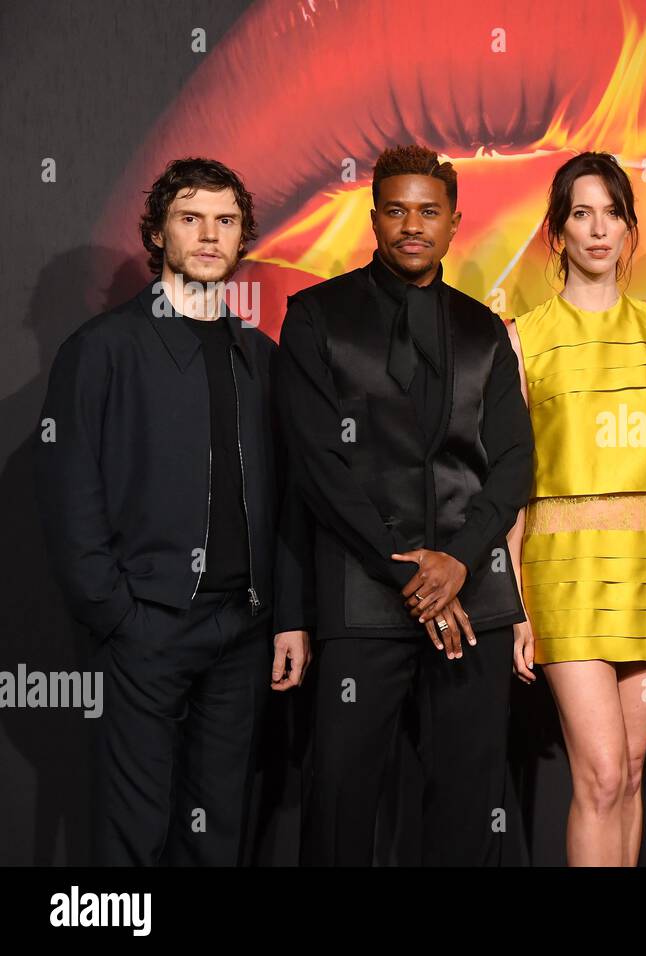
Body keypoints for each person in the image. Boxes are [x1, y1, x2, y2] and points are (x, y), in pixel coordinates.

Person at [35, 157, 312, 865]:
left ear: (243, 236)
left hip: (241, 634)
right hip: (145, 626)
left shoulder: (261, 356)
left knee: (217, 831)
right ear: (158, 232)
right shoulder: (102, 350)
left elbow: (286, 500)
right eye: (191, 218)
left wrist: (285, 617)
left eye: (225, 221)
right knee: (133, 830)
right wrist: (118, 615)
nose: (210, 235)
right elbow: (71, 497)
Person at [276, 145, 534, 866]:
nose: (411, 225)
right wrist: (411, 571)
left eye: (428, 211)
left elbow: (515, 460)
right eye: (395, 210)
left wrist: (456, 559)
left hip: (472, 600)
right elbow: (318, 466)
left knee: (468, 803)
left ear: (455, 223)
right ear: (374, 219)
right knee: (340, 802)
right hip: (364, 596)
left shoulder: (485, 329)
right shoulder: (316, 318)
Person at [506, 151, 646, 866]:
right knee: (597, 773)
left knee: (627, 774)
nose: (599, 229)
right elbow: (514, 485)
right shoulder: (524, 339)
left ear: (630, 229)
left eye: (613, 214)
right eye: (582, 214)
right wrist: (518, 605)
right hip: (563, 582)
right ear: (557, 233)